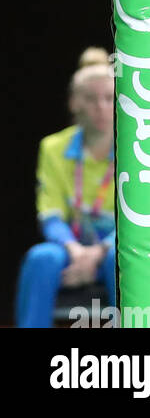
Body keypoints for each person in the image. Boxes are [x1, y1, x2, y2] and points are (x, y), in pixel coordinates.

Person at [16, 49, 116, 328]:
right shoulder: (53, 148)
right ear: (74, 103)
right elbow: (50, 215)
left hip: (113, 248)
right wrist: (76, 250)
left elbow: (135, 218)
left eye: (108, 98)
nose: (101, 107)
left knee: (121, 261)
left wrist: (99, 252)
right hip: (70, 248)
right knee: (41, 258)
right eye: (90, 99)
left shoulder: (135, 152)